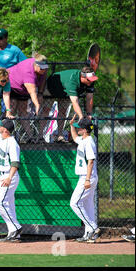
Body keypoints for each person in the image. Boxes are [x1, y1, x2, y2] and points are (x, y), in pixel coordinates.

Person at [69, 115, 101, 243]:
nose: (78, 129)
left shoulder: (89, 142)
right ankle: (89, 234)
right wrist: (71, 125)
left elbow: (91, 161)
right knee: (87, 206)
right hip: (86, 177)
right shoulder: (83, 139)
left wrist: (87, 179)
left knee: (74, 203)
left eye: (79, 127)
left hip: (87, 177)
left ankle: (93, 227)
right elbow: (75, 138)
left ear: (85, 129)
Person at [46, 66, 98, 142]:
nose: (91, 82)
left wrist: (89, 113)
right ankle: (40, 137)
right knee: (45, 111)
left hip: (65, 92)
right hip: (51, 88)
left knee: (63, 112)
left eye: (92, 80)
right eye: (89, 80)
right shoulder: (72, 80)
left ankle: (60, 135)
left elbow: (89, 98)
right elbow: (75, 102)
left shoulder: (90, 81)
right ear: (82, 77)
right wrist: (81, 117)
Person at [8, 53, 49, 142]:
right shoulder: (28, 72)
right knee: (11, 110)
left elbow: (43, 78)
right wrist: (37, 105)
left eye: (45, 67)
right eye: (42, 68)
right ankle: (4, 134)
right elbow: (32, 92)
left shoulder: (42, 69)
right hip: (12, 86)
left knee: (23, 111)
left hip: (23, 89)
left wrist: (41, 93)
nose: (44, 70)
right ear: (36, 65)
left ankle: (30, 137)